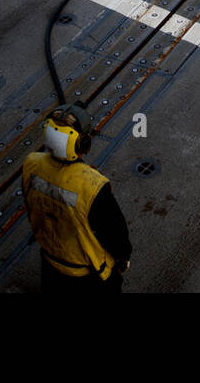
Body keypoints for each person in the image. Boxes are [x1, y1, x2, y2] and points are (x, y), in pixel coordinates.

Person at [22, 103, 132, 293]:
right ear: (82, 144)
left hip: (50, 263)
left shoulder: (31, 164)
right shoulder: (92, 185)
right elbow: (115, 233)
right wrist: (123, 257)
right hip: (86, 276)